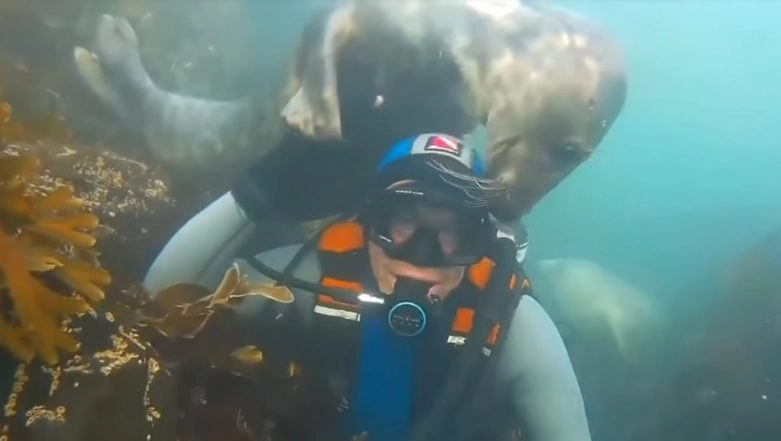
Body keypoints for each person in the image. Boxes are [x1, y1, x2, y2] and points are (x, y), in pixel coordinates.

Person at [143, 133, 590, 441]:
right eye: (404, 221)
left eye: (451, 232)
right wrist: (250, 198)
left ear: (482, 243)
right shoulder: (313, 275)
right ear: (366, 222)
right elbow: (158, 305)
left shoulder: (511, 321)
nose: (422, 254)